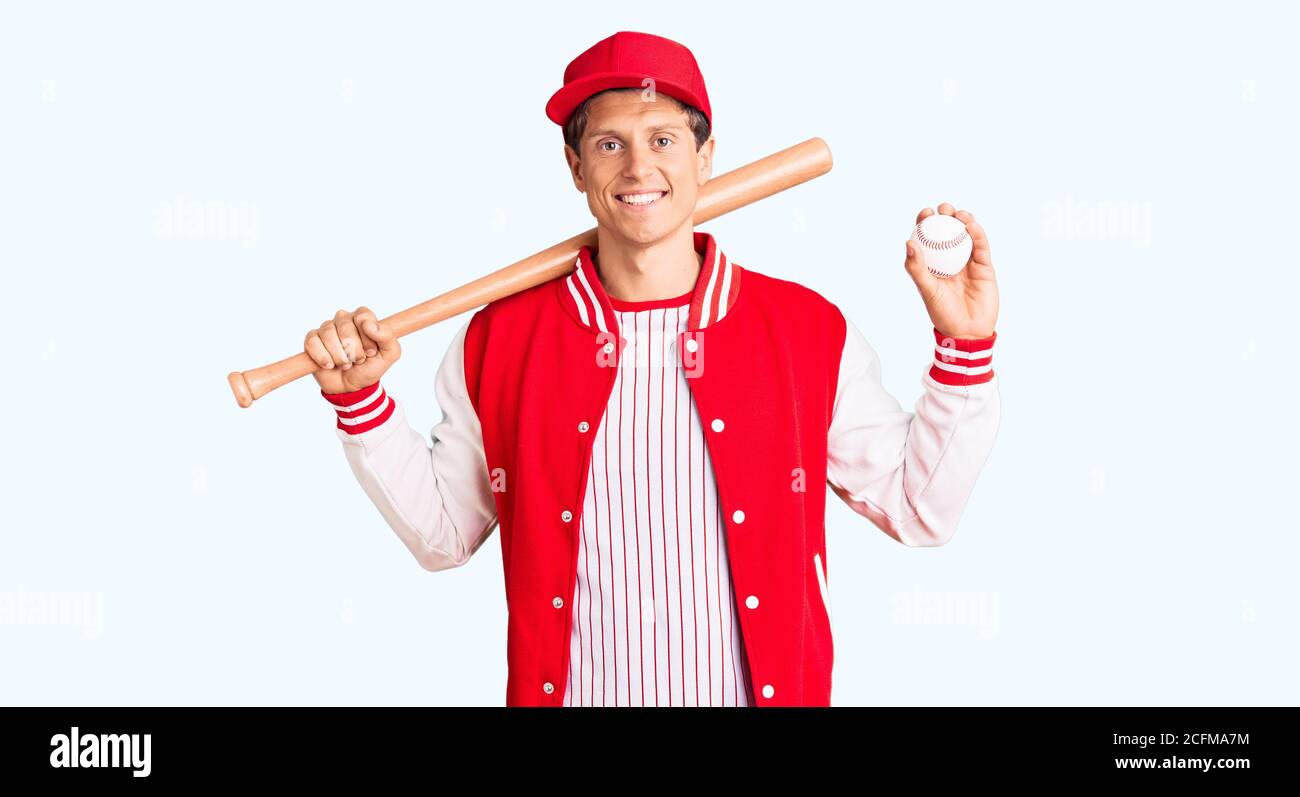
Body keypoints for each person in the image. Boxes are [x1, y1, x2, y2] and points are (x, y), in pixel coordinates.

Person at [303, 31, 1001, 707]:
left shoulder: (805, 332)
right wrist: (361, 402)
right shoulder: (500, 340)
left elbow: (920, 508)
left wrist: (964, 345)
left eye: (662, 140)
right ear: (576, 168)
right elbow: (445, 535)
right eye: (610, 144)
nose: (638, 169)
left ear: (705, 158)